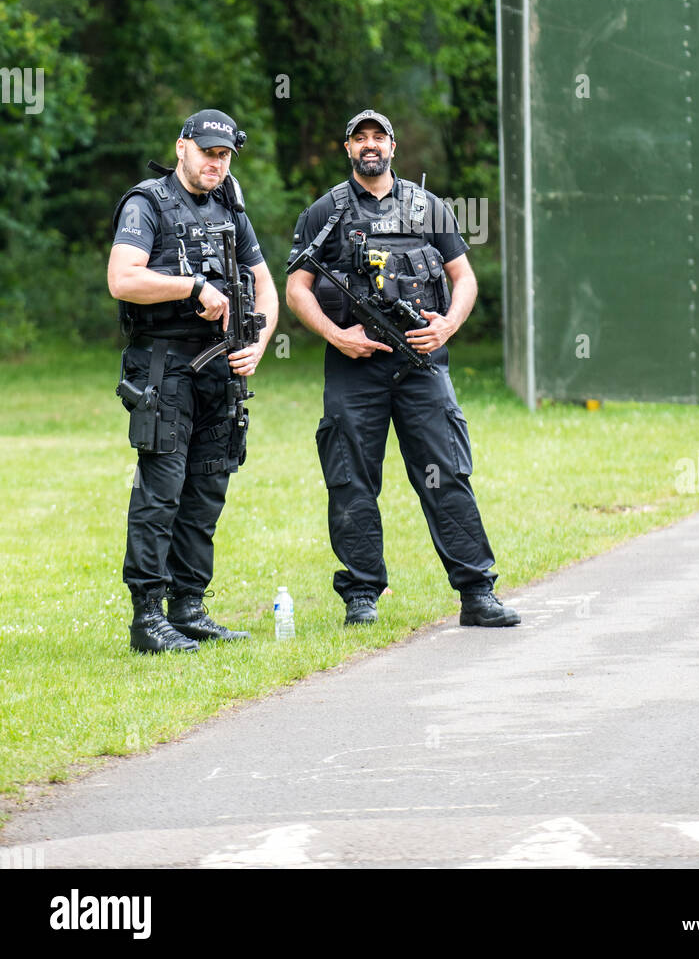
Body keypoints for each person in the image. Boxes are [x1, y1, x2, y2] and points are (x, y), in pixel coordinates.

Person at [285, 109, 520, 629]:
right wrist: (336, 335)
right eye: (359, 138)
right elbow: (296, 288)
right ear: (347, 148)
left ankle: (477, 593)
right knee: (350, 479)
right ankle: (362, 596)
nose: (370, 145)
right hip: (355, 365)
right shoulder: (324, 211)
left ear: (393, 145)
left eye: (378, 137)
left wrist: (447, 327)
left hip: (422, 364)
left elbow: (465, 280)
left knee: (446, 475)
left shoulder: (428, 207)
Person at [108, 109, 278, 653]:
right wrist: (192, 288)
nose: (215, 163)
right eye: (207, 152)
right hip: (164, 367)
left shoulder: (231, 208)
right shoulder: (147, 203)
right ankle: (147, 617)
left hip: (220, 369)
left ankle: (189, 607)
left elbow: (265, 288)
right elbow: (122, 278)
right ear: (182, 146)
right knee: (161, 492)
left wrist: (260, 341)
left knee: (207, 490)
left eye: (224, 155)